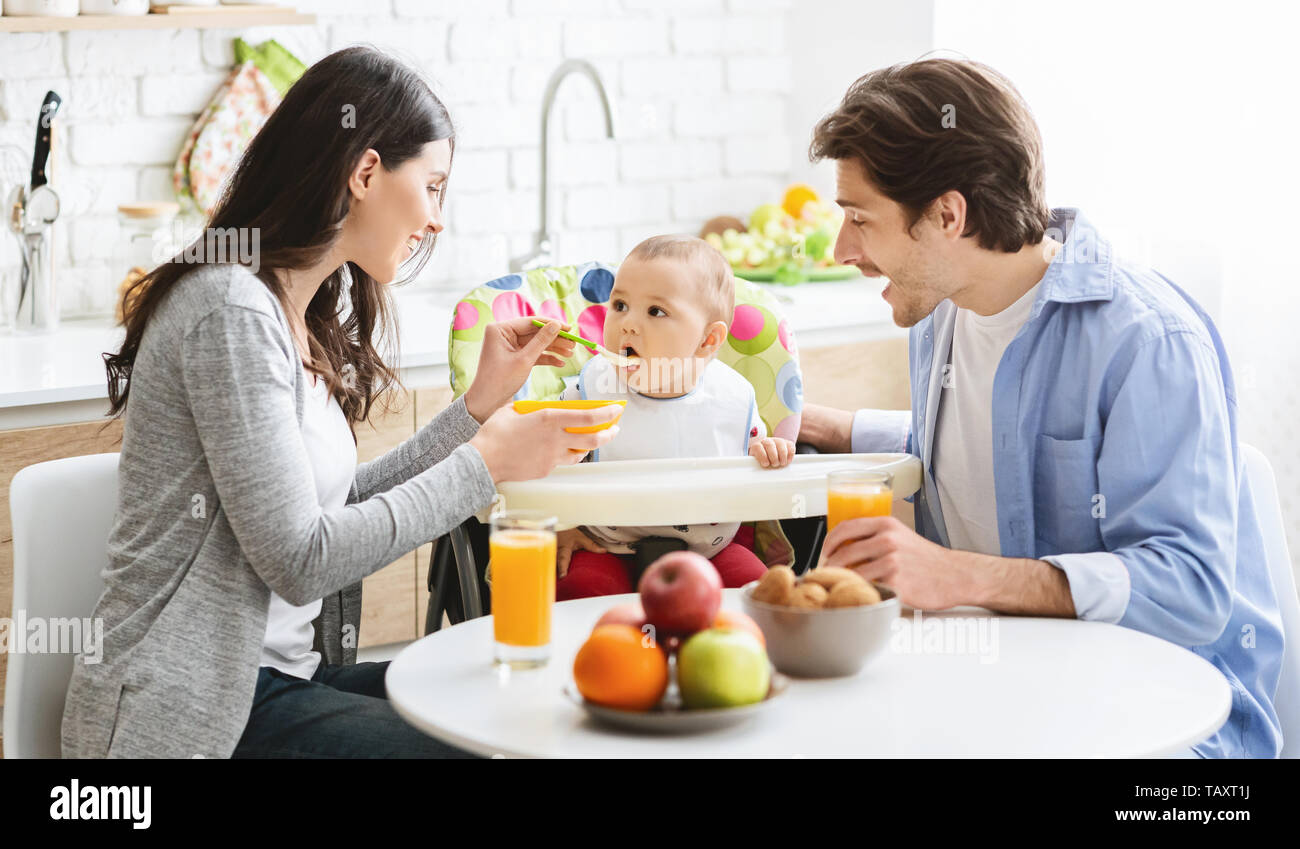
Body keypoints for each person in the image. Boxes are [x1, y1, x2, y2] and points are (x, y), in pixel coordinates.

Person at [61, 47, 622, 759]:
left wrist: (476, 410)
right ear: (365, 173)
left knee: (525, 710)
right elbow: (301, 558)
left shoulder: (293, 310)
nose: (438, 219)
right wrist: (485, 464)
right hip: (198, 711)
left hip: (282, 682)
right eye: (434, 185)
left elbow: (329, 509)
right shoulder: (230, 310)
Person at [798, 59, 1283, 757]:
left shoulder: (1145, 341)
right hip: (1012, 688)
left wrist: (955, 574)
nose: (842, 249)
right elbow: (999, 449)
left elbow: (1192, 588)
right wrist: (834, 426)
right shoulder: (943, 311)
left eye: (859, 219)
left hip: (1160, 725)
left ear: (947, 214)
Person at [553, 235, 796, 599]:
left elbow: (749, 448)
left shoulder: (732, 397)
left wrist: (769, 451)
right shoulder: (590, 390)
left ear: (707, 341)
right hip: (605, 544)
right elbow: (547, 464)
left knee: (757, 592)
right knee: (580, 588)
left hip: (710, 548)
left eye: (656, 312)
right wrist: (562, 526)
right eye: (620, 305)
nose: (628, 324)